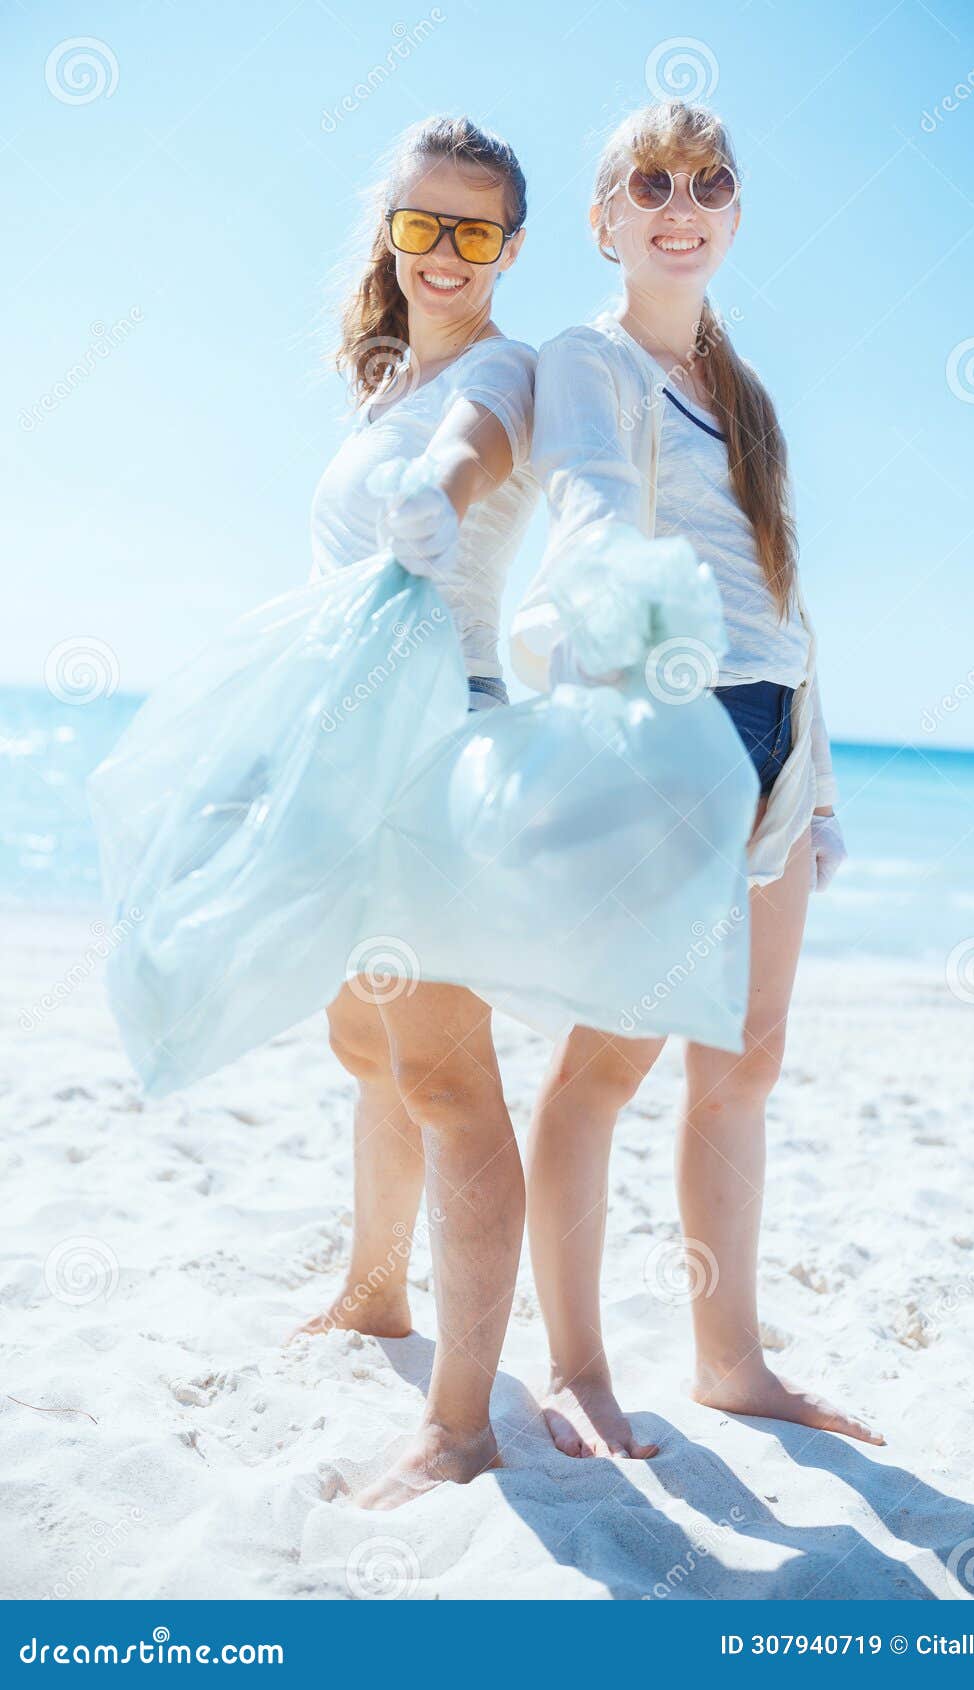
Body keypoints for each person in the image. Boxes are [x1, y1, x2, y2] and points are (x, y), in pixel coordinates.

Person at [512, 100, 883, 1460]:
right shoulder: (588, 359)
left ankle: (730, 1361)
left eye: (708, 181)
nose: (681, 200)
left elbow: (783, 597)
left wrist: (820, 789)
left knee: (746, 1058)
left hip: (778, 732)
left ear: (731, 216)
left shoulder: (745, 394)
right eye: (648, 181)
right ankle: (574, 1365)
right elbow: (594, 500)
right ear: (606, 218)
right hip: (663, 724)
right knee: (605, 1057)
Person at [300, 115, 539, 1510]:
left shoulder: (500, 371)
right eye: (420, 224)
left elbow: (467, 453)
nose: (443, 253)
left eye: (473, 230)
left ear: (509, 247)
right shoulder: (380, 378)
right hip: (343, 737)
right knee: (365, 1042)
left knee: (448, 1072)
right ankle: (371, 1296)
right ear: (389, 229)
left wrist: (437, 499)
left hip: (440, 738)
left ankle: (461, 1424)